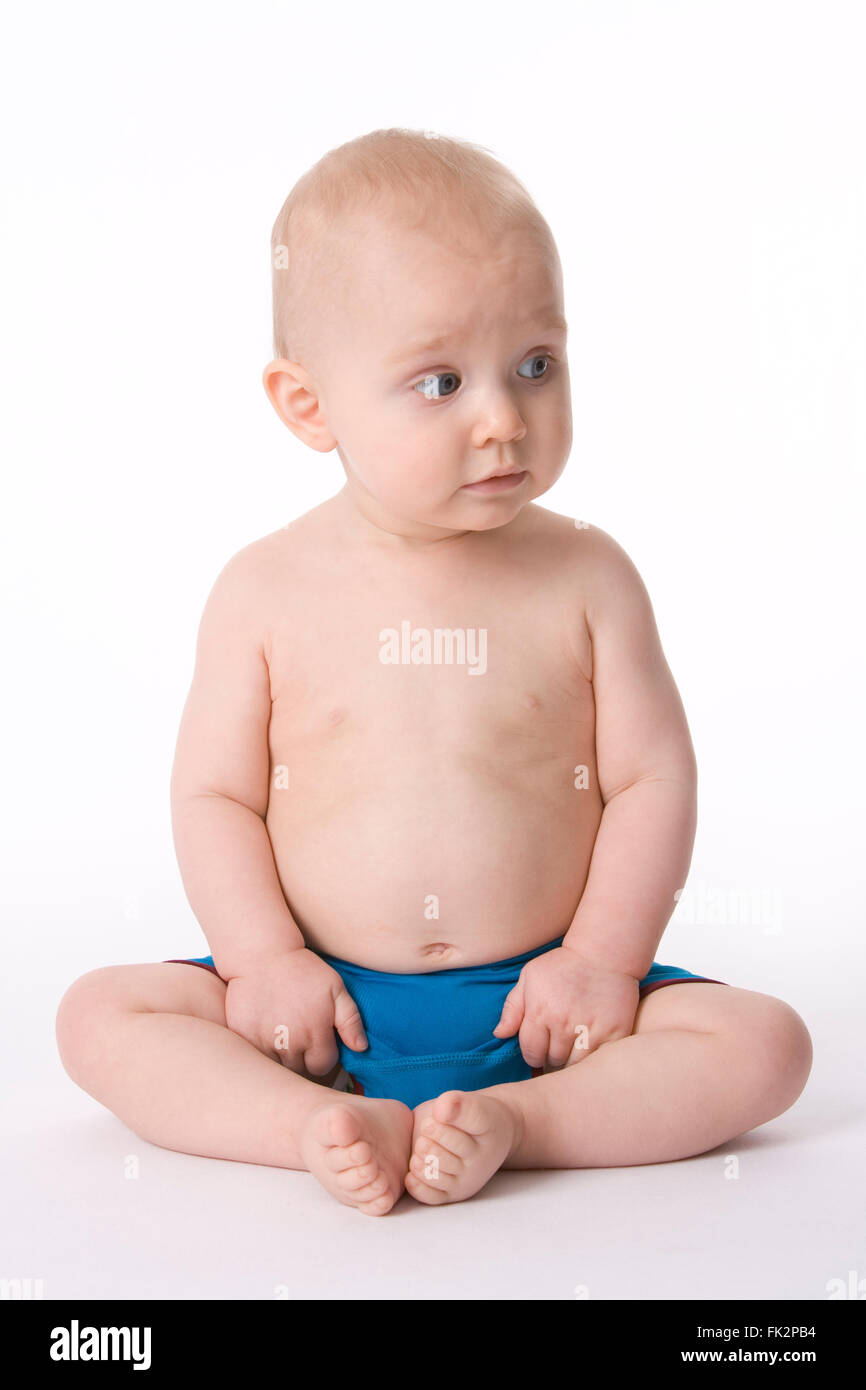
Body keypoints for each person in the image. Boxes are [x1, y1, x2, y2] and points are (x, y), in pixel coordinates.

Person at [56, 128, 812, 1215]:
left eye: (534, 366)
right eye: (441, 380)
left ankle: (525, 1121)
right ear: (308, 405)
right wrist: (262, 961)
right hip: (324, 1009)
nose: (502, 420)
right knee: (97, 1015)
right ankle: (312, 1126)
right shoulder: (263, 588)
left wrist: (602, 961)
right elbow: (213, 794)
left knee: (763, 1045)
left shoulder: (587, 574)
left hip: (544, 1004)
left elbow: (651, 779)